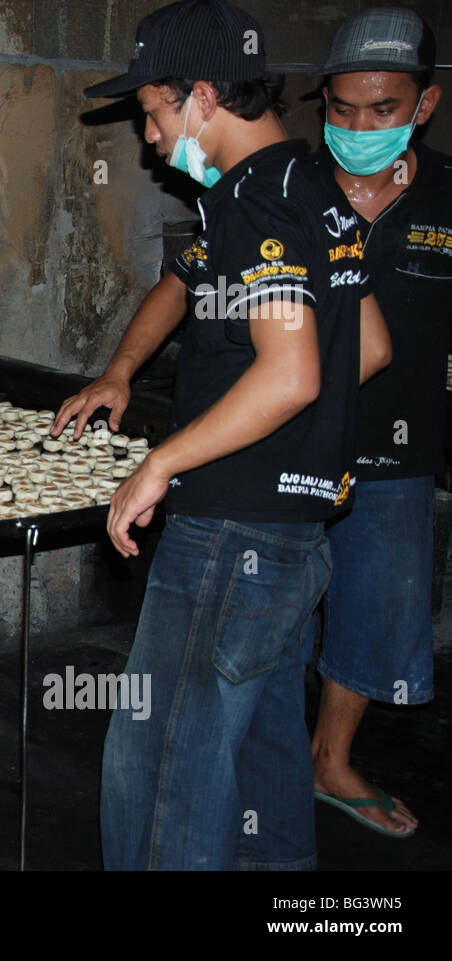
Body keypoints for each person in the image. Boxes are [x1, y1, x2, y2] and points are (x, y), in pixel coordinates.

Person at [71, 0, 392, 869]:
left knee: (166, 758)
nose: (148, 135)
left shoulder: (249, 199)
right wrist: (291, 443)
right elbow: (366, 346)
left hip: (229, 534)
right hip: (294, 534)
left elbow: (290, 374)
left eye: (153, 111)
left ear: (201, 96)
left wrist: (161, 464)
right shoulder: (316, 186)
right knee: (261, 751)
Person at [306, 6, 445, 839]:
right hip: (290, 434)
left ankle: (331, 760)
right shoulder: (292, 180)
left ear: (423, 106)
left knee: (373, 608)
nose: (358, 127)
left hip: (399, 446)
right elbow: (193, 276)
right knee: (273, 605)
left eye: (382, 109)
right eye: (341, 108)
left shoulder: (449, 193)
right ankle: (263, 757)